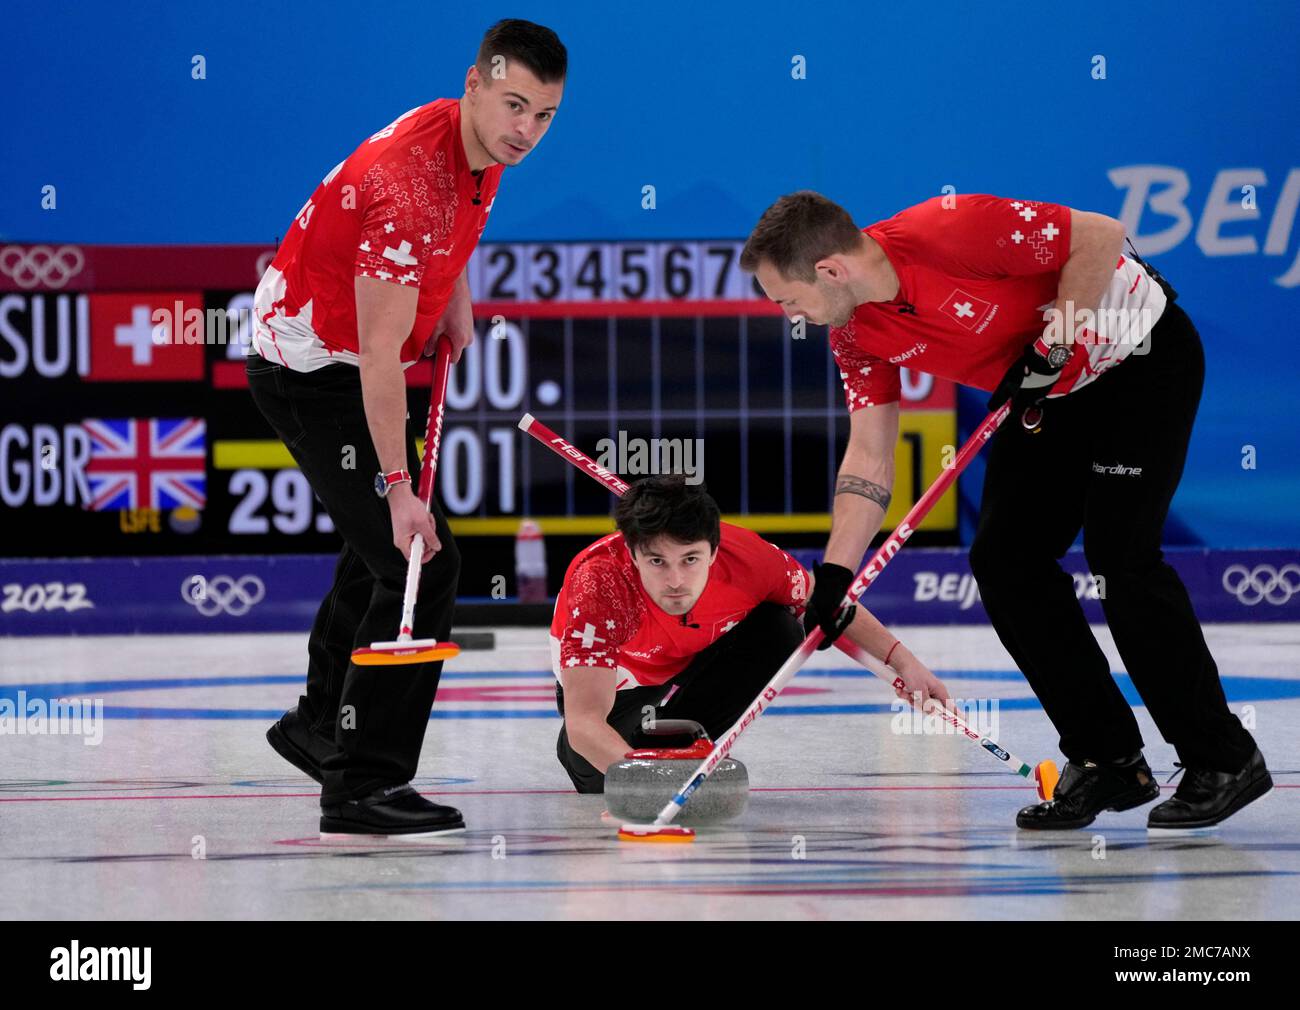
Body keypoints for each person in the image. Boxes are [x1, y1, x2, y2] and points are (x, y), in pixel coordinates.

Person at [739, 190, 1270, 830]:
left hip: (1138, 359)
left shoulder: (947, 228)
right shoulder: (854, 333)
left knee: (1120, 555)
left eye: (786, 299)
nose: (789, 314)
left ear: (830, 270)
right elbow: (869, 458)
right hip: (1045, 390)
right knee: (1005, 559)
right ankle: (1108, 758)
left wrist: (1057, 337)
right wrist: (835, 577)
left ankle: (1223, 757)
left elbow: (1101, 233)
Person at [247, 20, 566, 836]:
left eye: (544, 115)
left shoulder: (478, 147)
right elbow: (382, 357)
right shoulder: (408, 183)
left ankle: (322, 724)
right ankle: (362, 785)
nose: (525, 130)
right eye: (513, 106)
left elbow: (451, 238)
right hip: (314, 370)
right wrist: (396, 491)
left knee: (378, 554)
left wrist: (452, 297)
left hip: (347, 354)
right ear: (474, 82)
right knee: (420, 556)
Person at [551, 475, 949, 792]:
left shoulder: (750, 559)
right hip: (624, 677)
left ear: (714, 549)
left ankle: (673, 749)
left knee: (781, 627)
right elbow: (586, 722)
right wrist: (643, 788)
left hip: (697, 649)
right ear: (633, 552)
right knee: (596, 777)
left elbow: (828, 607)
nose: (675, 581)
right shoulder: (600, 584)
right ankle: (643, 756)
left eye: (690, 559)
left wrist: (904, 661)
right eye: (657, 561)